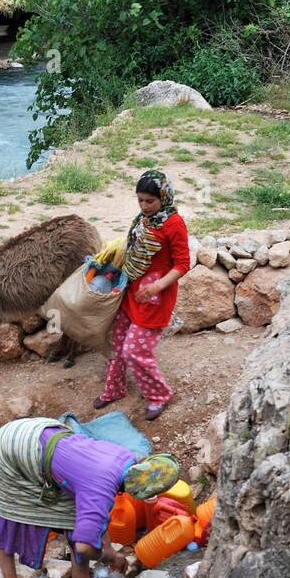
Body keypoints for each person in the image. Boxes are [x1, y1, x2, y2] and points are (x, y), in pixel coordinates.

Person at [0, 416, 180, 578]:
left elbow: (94, 518)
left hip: (42, 433)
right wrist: (108, 556)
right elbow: (84, 547)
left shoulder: (126, 457)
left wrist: (108, 548)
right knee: (7, 518)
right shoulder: (100, 487)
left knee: (76, 515)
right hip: (12, 450)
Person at [94, 169, 190, 422]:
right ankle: (114, 389)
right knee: (118, 343)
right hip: (132, 292)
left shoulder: (173, 223)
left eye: (150, 201)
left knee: (134, 351)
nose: (145, 206)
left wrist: (157, 287)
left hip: (154, 299)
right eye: (140, 201)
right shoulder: (144, 220)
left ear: (164, 197)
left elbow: (182, 264)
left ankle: (160, 395)